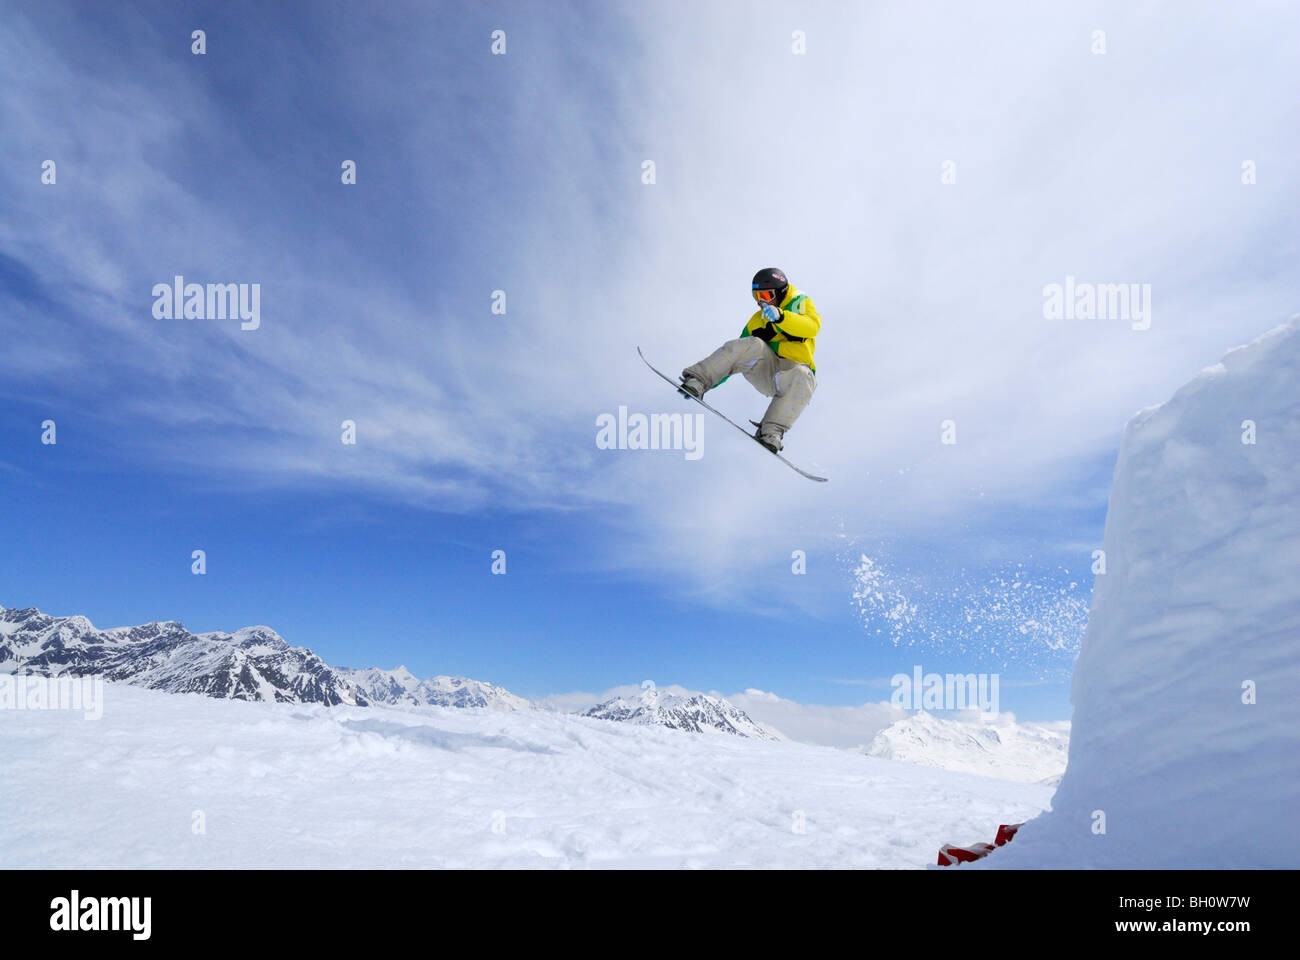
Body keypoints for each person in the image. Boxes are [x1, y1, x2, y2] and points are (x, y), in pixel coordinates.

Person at [679, 267, 820, 452]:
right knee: (752, 344)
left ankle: (771, 432)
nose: (762, 302)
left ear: (781, 292)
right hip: (767, 371)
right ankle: (699, 379)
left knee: (804, 375)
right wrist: (704, 385)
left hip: (792, 375)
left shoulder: (799, 304)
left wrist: (781, 318)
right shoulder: (758, 321)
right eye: (757, 297)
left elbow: (811, 327)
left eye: (767, 295)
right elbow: (736, 355)